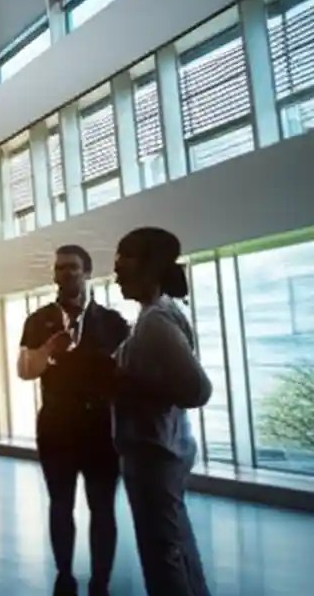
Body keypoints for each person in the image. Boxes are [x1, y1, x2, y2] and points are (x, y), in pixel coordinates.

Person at [17, 246, 130, 596]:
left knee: (102, 506)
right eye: (61, 268)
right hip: (56, 424)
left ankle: (101, 583)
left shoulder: (112, 322)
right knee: (61, 503)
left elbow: (128, 373)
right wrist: (48, 349)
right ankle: (64, 576)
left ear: (87, 272)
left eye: (74, 268)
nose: (67, 274)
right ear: (54, 275)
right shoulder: (38, 321)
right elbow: (24, 371)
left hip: (100, 426)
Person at [113, 227, 213, 596]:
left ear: (150, 267)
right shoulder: (155, 315)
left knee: (161, 554)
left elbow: (196, 389)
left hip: (155, 451)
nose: (118, 270)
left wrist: (125, 385)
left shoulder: (155, 321)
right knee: (175, 544)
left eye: (126, 259)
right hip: (161, 447)